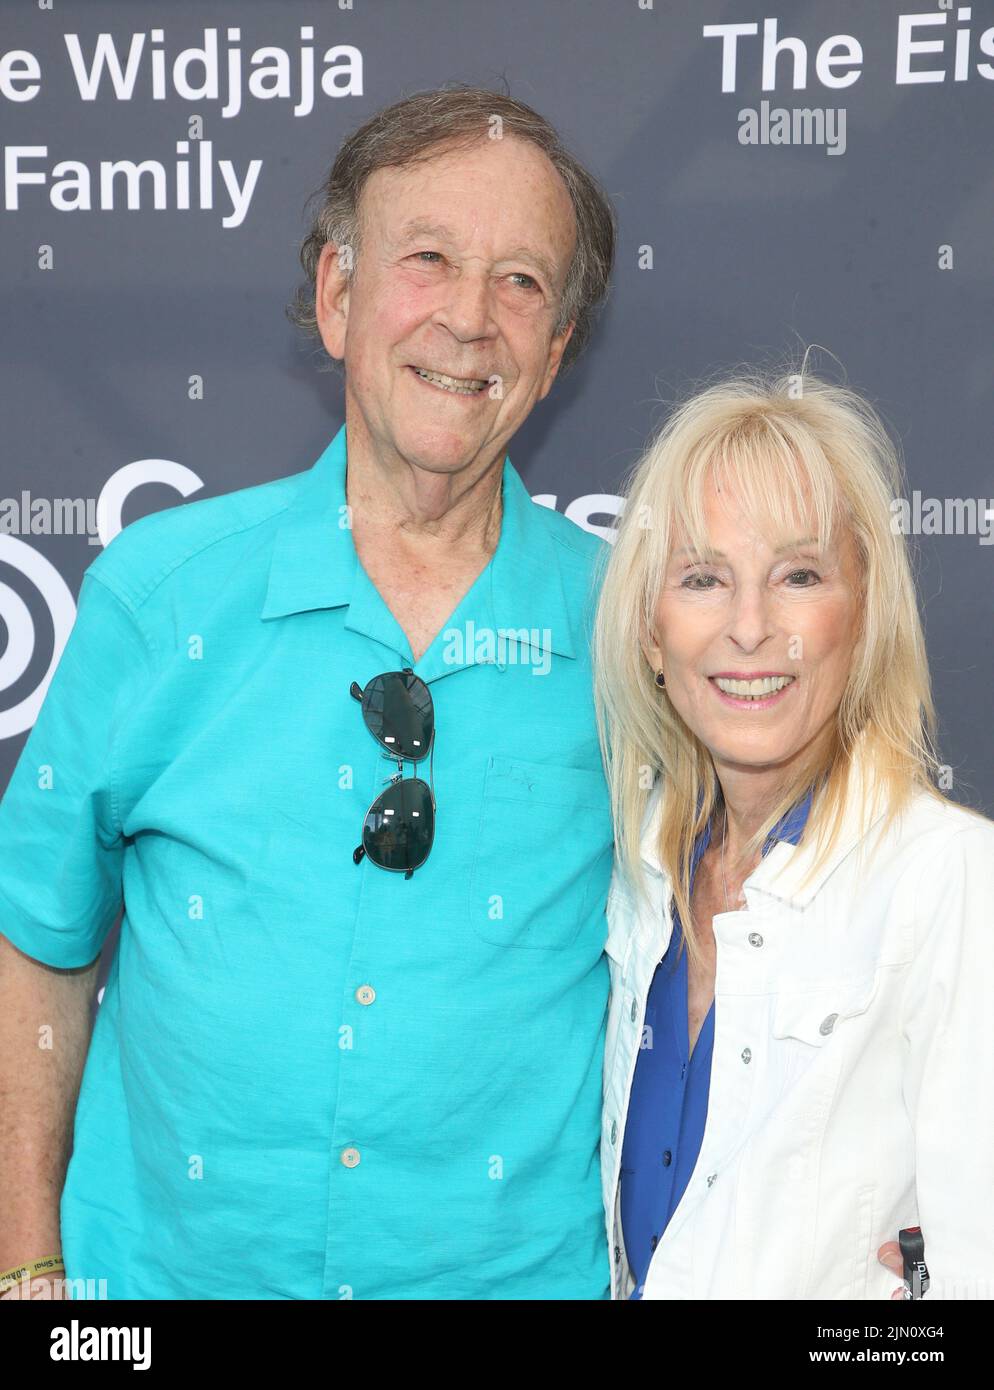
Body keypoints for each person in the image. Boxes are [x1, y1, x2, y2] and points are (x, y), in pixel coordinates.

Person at [0, 85, 619, 1300]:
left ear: (554, 355)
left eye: (521, 283)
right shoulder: (158, 596)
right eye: (428, 258)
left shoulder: (635, 636)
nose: (469, 322)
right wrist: (24, 1269)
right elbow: (38, 946)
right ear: (337, 296)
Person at [593, 369, 994, 1300]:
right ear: (652, 635)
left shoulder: (949, 881)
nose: (750, 628)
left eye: (799, 576)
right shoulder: (638, 878)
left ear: (863, 617)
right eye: (702, 579)